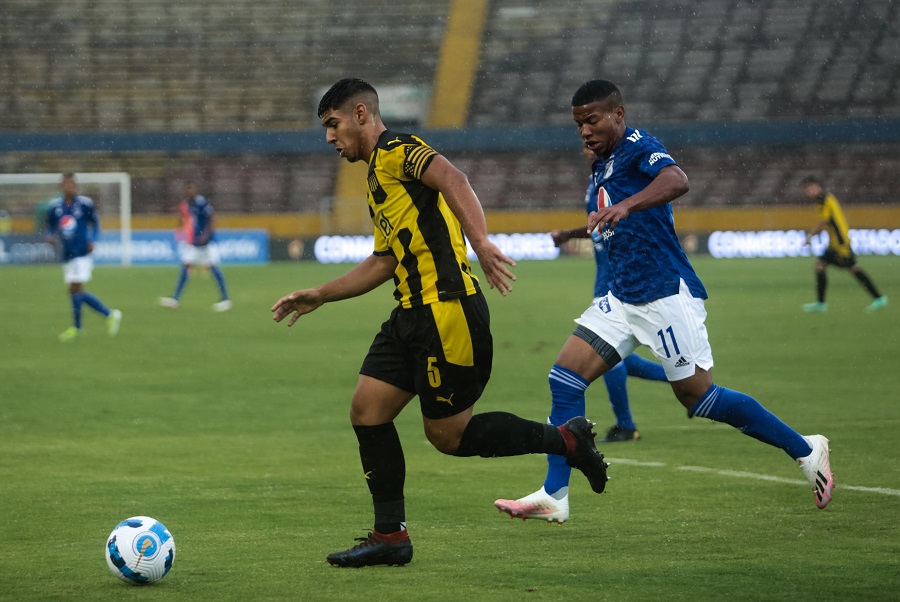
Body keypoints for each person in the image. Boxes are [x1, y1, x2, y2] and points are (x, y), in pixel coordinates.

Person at [271, 78, 609, 568]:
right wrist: (320, 295)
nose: (329, 137)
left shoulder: (400, 149)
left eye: (333, 124)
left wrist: (483, 242)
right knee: (367, 411)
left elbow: (454, 179)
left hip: (447, 310)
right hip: (409, 313)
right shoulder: (376, 179)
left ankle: (569, 440)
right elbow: (384, 260)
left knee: (447, 437)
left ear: (361, 114)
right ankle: (390, 538)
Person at [494, 80, 834, 524]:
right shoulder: (602, 164)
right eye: (579, 124)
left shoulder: (638, 145)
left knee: (697, 396)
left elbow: (677, 180)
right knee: (565, 377)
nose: (585, 131)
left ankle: (807, 449)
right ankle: (555, 494)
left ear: (618, 114)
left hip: (664, 293)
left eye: (592, 120)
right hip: (622, 296)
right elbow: (609, 219)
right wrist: (574, 233)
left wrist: (628, 206)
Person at [551, 143, 668, 445]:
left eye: (594, 145)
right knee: (614, 358)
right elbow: (599, 224)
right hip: (605, 278)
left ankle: (626, 426)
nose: (588, 149)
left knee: (606, 357)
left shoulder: (621, 176)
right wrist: (568, 234)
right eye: (585, 146)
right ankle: (682, 376)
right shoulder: (598, 180)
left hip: (619, 281)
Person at [45, 173, 122, 342]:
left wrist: (93, 239)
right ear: (61, 187)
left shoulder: (85, 204)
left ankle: (109, 314)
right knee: (74, 292)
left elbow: (95, 223)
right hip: (67, 254)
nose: (69, 187)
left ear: (76, 186)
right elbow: (49, 226)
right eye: (66, 185)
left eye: (71, 184)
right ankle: (80, 326)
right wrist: (49, 235)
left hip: (82, 253)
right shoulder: (55, 207)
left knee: (76, 288)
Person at [800, 175, 887, 313]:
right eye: (807, 189)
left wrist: (809, 236)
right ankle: (821, 303)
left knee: (853, 268)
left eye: (812, 187)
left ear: (819, 187)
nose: (810, 191)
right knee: (820, 265)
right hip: (833, 244)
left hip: (840, 244)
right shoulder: (821, 201)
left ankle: (879, 298)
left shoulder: (825, 200)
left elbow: (823, 223)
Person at [159, 182, 232, 312]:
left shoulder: (201, 202)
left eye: (191, 189)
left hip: (207, 244)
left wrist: (206, 234)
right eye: (187, 190)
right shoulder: (188, 204)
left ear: (195, 190)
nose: (189, 192)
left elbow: (211, 217)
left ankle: (226, 299)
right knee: (185, 267)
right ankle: (175, 299)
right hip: (195, 243)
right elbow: (187, 220)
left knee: (214, 269)